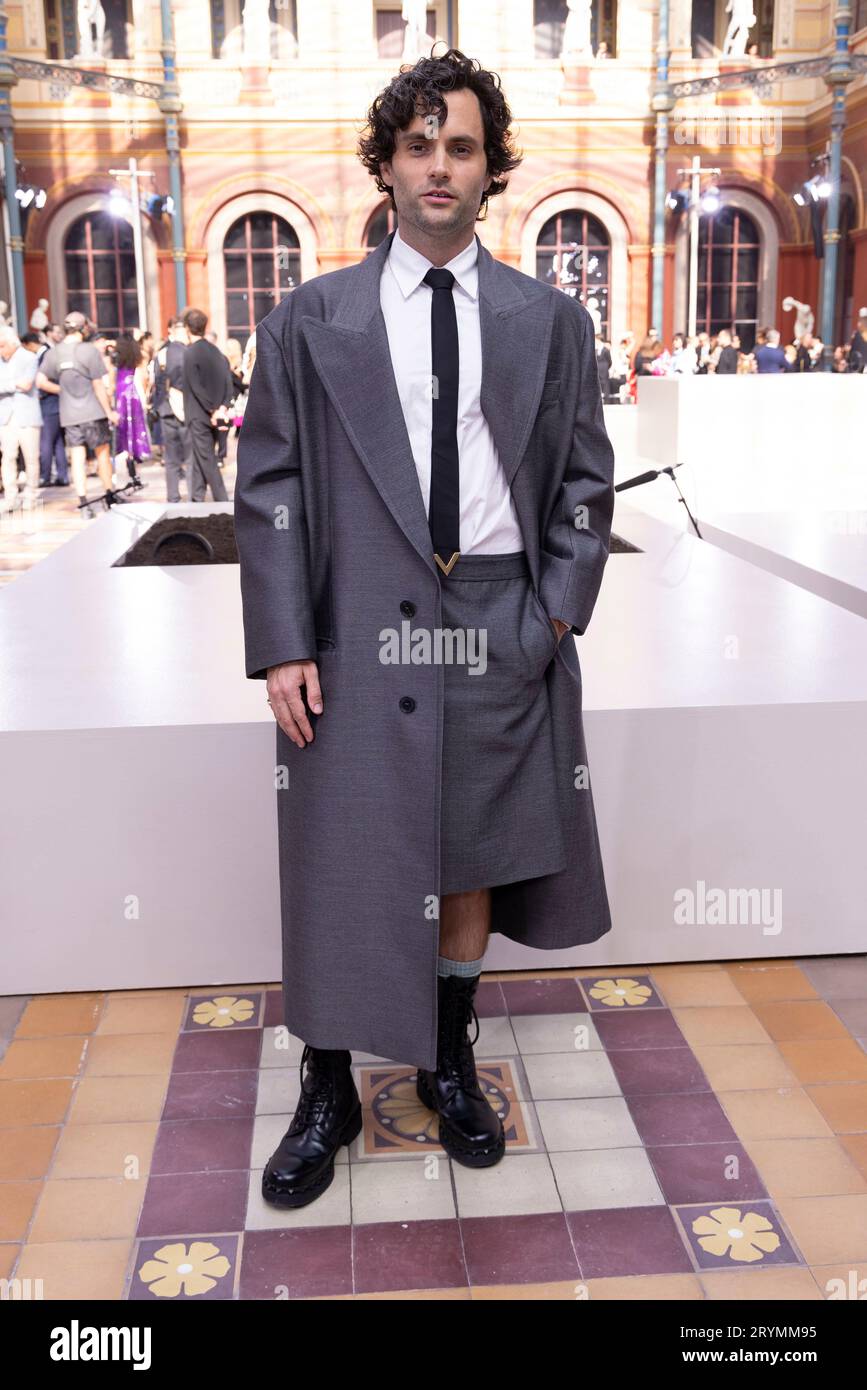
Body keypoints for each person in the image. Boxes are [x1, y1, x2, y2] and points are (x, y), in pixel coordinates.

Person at [234, 47, 615, 1209]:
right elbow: (269, 482)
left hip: (501, 622)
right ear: (387, 164)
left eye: (460, 146)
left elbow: (586, 488)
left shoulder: (550, 320)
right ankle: (329, 1082)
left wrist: (552, 617)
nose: (438, 166)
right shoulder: (312, 318)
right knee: (345, 856)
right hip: (355, 628)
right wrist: (285, 638)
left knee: (470, 854)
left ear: (490, 167)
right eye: (418, 144)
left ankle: (448, 1057)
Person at [37, 310, 119, 515]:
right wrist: (109, 412)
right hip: (93, 412)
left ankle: (83, 502)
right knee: (102, 454)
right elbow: (98, 384)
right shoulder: (89, 351)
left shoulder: (54, 352)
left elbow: (40, 381)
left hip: (68, 414)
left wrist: (61, 390)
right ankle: (110, 496)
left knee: (77, 457)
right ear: (84, 328)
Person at [180, 307, 234, 501]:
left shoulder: (190, 353)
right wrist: (222, 407)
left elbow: (195, 386)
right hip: (216, 413)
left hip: (199, 414)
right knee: (199, 457)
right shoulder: (217, 352)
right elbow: (229, 383)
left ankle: (222, 501)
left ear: (187, 328)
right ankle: (196, 497)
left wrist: (212, 409)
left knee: (207, 460)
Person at [0, 326, 42, 512]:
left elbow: (26, 385)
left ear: (12, 344)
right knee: (8, 458)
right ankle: (10, 497)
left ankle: (31, 495)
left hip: (27, 416)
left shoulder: (29, 358)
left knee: (31, 458)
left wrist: (8, 385)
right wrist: (14, 384)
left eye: (2, 346)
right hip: (6, 417)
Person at [153, 317, 193, 502]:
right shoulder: (189, 353)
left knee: (171, 458)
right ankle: (194, 495)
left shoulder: (161, 354)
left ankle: (173, 496)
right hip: (185, 408)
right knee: (190, 456)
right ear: (184, 333)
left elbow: (157, 382)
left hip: (166, 408)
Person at [113, 333, 150, 489]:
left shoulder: (115, 360)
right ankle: (133, 469)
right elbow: (145, 377)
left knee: (122, 431)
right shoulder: (137, 358)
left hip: (119, 395)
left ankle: (125, 470)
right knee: (134, 431)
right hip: (133, 395)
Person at [34, 322, 69, 486]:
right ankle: (58, 475)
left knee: (49, 440)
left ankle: (48, 476)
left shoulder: (51, 351)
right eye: (56, 332)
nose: (59, 334)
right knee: (55, 441)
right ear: (48, 333)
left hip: (52, 400)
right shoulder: (46, 351)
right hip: (50, 398)